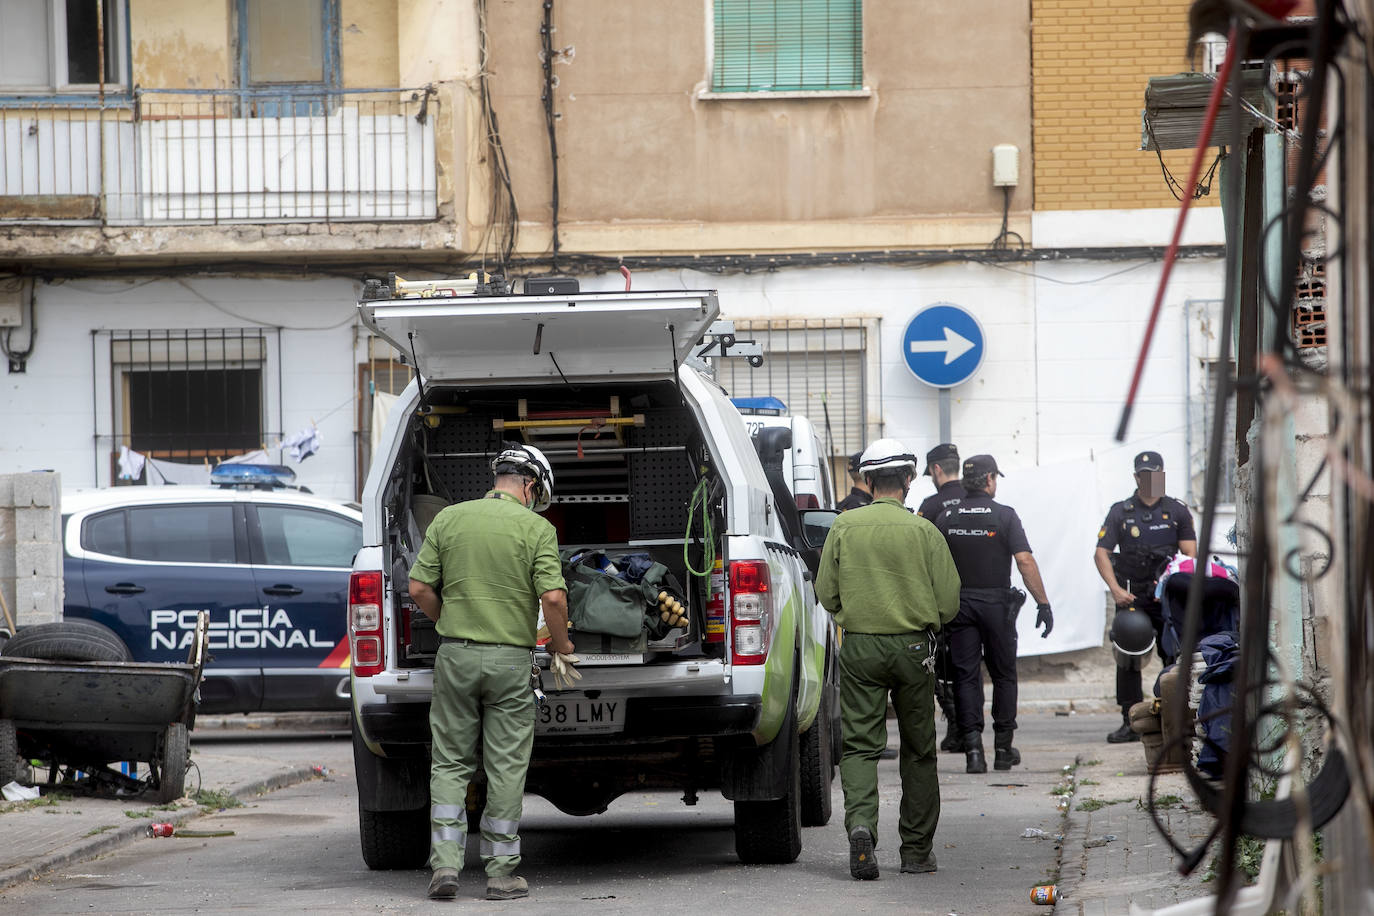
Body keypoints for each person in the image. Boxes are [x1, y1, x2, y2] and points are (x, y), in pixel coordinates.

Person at [408, 442, 577, 901]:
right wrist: (561, 646)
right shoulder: (536, 528)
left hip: (456, 656)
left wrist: (449, 622)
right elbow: (555, 599)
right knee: (505, 765)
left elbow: (419, 586)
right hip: (508, 661)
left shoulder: (448, 519)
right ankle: (501, 874)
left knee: (449, 762)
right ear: (529, 485)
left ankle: (445, 866)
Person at [815, 438, 961, 880]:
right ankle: (916, 852)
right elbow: (949, 601)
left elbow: (826, 593)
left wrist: (852, 616)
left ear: (867, 480)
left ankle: (861, 828)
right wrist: (923, 620)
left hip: (860, 645)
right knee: (919, 749)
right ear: (909, 479)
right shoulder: (925, 531)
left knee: (859, 746)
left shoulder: (843, 527)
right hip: (915, 650)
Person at [933, 455, 1052, 774]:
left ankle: (973, 751)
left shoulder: (947, 517)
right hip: (997, 605)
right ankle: (1002, 749)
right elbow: (1025, 561)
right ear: (988, 480)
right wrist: (1043, 602)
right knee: (1003, 674)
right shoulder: (1004, 516)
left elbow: (933, 566)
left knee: (966, 675)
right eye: (994, 478)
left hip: (960, 606)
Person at [1094, 450, 1197, 743]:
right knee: (1128, 655)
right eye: (1144, 475)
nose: (1149, 479)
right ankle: (1130, 719)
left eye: (1154, 474)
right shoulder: (1120, 511)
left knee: (1174, 655)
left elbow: (1190, 553)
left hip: (1166, 597)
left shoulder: (1176, 511)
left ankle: (1171, 717)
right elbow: (1101, 553)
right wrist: (1115, 589)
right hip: (1132, 596)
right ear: (1137, 477)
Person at [915, 442, 967, 753]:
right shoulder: (979, 500)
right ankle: (969, 729)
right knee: (968, 667)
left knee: (942, 668)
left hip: (941, 601)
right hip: (976, 597)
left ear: (936, 469)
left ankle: (957, 728)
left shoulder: (932, 506)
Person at [915, 442, 966, 522]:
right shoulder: (975, 499)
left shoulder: (930, 505)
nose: (932, 480)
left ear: (937, 469)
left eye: (931, 474)